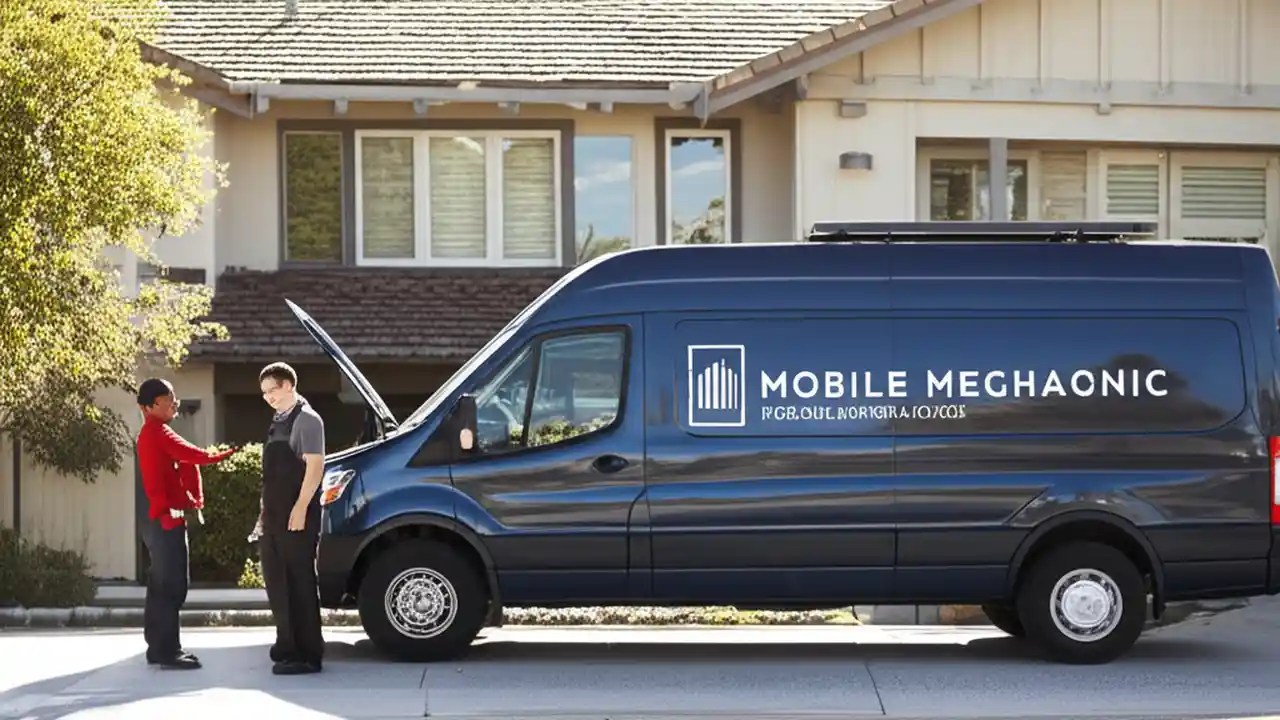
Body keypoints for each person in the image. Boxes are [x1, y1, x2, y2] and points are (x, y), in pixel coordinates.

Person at [135, 378, 238, 670]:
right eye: (170, 399)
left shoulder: (151, 433)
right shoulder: (158, 432)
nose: (175, 403)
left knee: (159, 585)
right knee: (173, 585)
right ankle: (169, 650)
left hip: (157, 518)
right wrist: (227, 454)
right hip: (167, 519)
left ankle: (157, 647)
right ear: (152, 405)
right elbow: (193, 455)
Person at [256, 362, 327, 675]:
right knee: (277, 582)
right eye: (264, 393)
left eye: (273, 389)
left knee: (299, 582)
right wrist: (262, 516)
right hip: (273, 517)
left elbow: (315, 468)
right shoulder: (277, 421)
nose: (269, 396)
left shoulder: (308, 420)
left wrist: (300, 508)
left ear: (288, 385)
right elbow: (270, 477)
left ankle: (307, 654)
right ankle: (286, 646)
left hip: (297, 516)